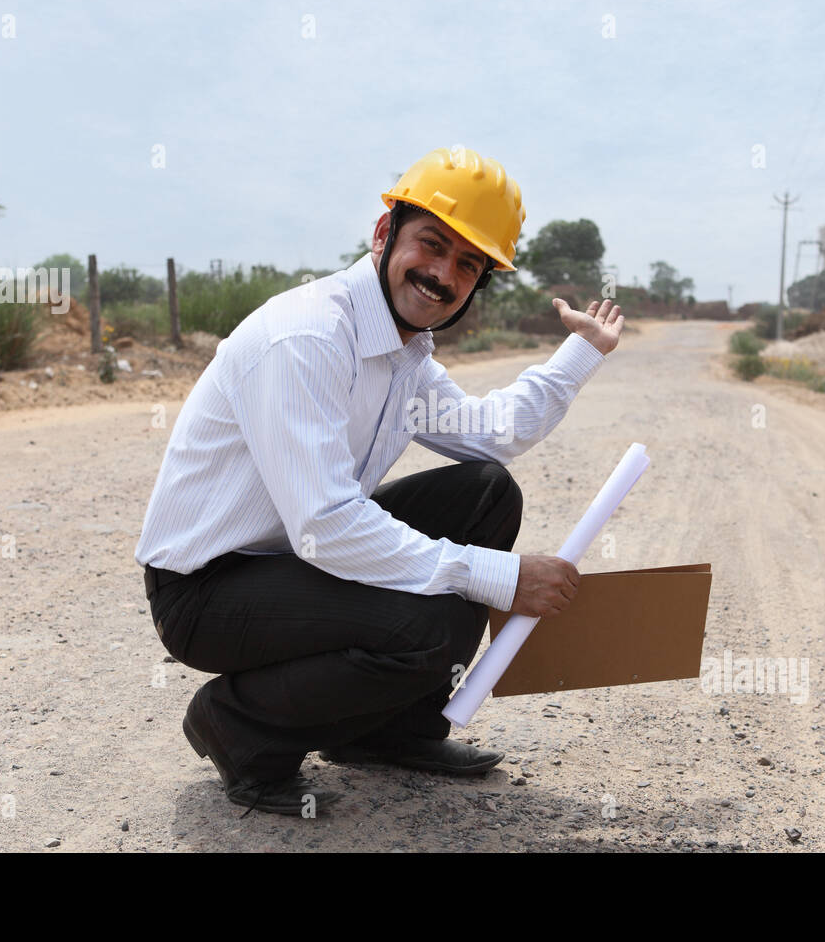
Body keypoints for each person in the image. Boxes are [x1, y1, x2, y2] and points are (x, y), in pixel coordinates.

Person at [134, 146, 625, 815]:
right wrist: (498, 577)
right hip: (207, 592)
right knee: (421, 621)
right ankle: (240, 730)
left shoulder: (403, 352)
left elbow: (490, 433)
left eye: (468, 264)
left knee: (485, 491)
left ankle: (389, 730)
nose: (443, 275)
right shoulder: (305, 338)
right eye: (432, 244)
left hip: (292, 565)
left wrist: (580, 352)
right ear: (382, 234)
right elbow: (326, 526)